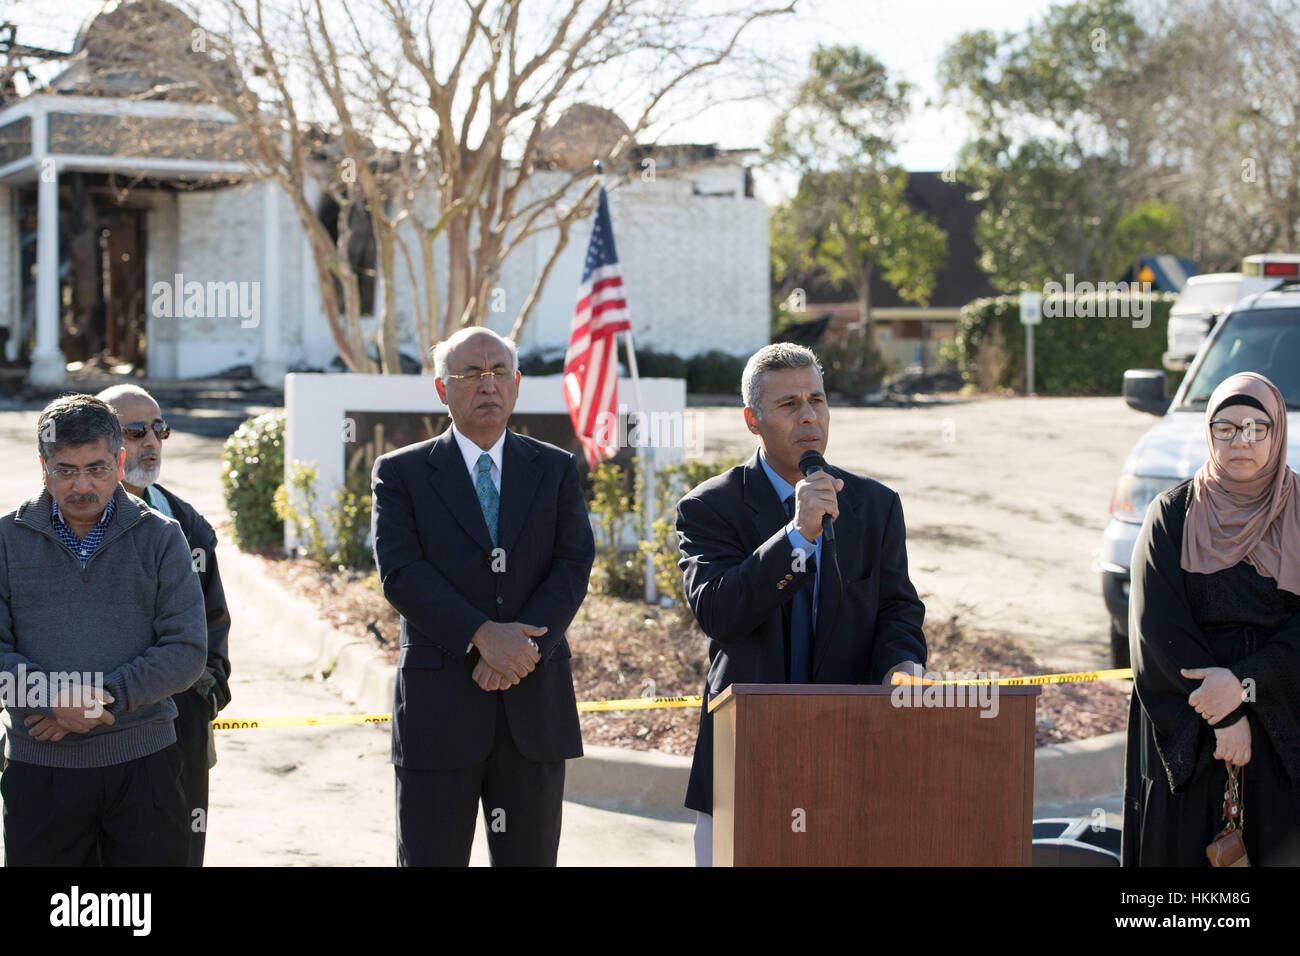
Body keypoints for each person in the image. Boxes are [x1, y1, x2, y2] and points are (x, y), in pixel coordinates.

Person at [676, 343, 928, 866]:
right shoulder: (709, 507)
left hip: (850, 750)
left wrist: (903, 665)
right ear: (753, 419)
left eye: (817, 399)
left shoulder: (874, 505)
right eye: (789, 405)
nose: (809, 415)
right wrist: (796, 536)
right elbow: (719, 612)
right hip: (747, 753)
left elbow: (897, 610)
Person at [371, 326, 596, 866]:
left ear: (517, 385)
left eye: (499, 372)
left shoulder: (557, 468)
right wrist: (481, 636)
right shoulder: (400, 473)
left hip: (533, 710)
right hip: (439, 713)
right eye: (470, 373)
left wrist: (522, 649)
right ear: (442, 389)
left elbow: (573, 564)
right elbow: (401, 572)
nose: (487, 384)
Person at [0, 394, 207, 866]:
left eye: (96, 468)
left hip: (144, 769)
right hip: (40, 772)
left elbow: (187, 649)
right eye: (65, 470)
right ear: (42, 465)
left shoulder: (163, 536)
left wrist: (97, 699)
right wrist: (52, 699)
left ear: (118, 461)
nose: (81, 485)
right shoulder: (5, 541)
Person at [1122, 371, 1300, 866]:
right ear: (1209, 431)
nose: (1241, 440)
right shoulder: (1171, 516)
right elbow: (1155, 631)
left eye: (1256, 427)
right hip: (1188, 732)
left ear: (1278, 431)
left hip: (1283, 733)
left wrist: (1245, 688)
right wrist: (1224, 715)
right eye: (1226, 427)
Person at [98, 384, 233, 867]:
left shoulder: (186, 523)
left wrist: (206, 693)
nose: (151, 442)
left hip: (179, 730)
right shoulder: (65, 520)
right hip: (94, 731)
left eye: (159, 429)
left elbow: (213, 618)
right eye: (134, 431)